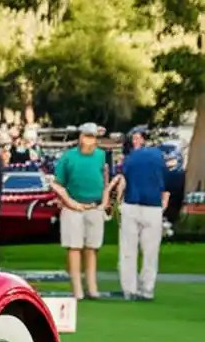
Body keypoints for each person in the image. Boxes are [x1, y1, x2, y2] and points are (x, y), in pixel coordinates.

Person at [50, 122, 109, 299]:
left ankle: (92, 286)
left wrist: (105, 202)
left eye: (93, 137)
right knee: (74, 247)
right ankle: (77, 288)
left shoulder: (101, 156)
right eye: (87, 136)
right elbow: (57, 183)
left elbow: (105, 179)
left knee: (92, 247)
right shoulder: (69, 157)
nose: (90, 141)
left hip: (94, 206)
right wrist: (69, 202)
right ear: (81, 137)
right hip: (73, 207)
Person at [116, 133, 169, 300]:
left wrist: (118, 202)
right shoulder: (159, 158)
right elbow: (165, 185)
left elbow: (123, 181)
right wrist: (163, 204)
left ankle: (129, 289)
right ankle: (147, 289)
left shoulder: (129, 159)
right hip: (153, 207)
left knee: (128, 250)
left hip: (132, 204)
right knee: (150, 251)